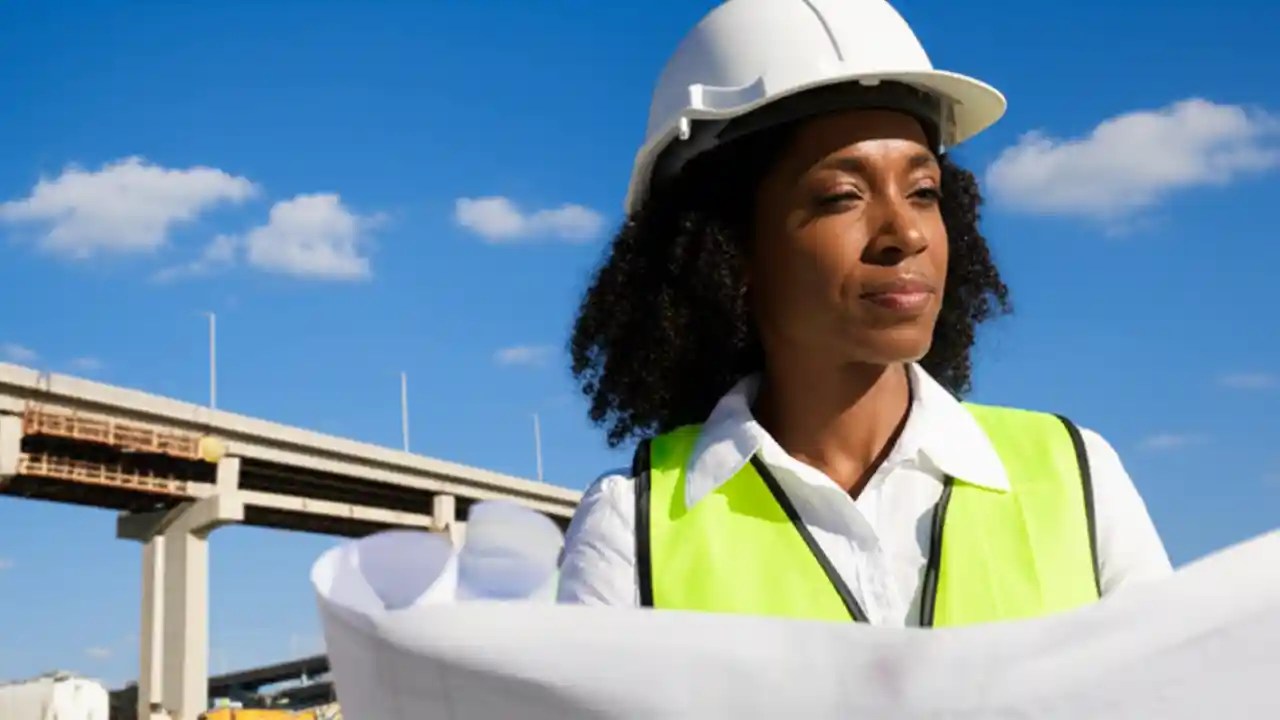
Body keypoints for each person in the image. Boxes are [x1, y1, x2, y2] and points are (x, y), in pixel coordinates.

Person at [557, 0, 1172, 626]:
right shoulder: (630, 529)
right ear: (728, 245)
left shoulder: (1079, 478)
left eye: (923, 192)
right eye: (842, 196)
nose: (907, 233)